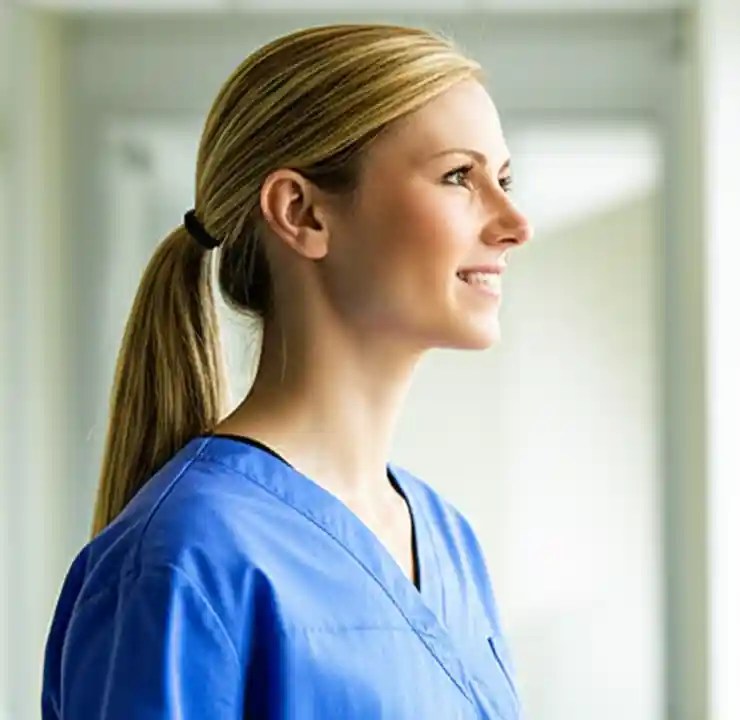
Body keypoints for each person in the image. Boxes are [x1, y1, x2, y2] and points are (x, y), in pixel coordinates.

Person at [41, 23, 532, 719]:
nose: (515, 222)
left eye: (504, 180)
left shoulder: (449, 540)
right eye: (459, 176)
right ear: (301, 213)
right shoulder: (188, 557)